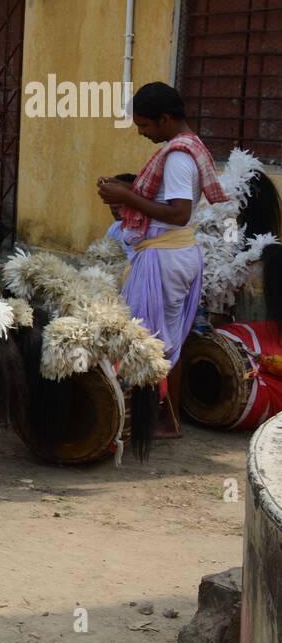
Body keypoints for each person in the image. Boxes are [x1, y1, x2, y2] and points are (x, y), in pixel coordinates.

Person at [97, 81, 229, 438]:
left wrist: (125, 194)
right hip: (172, 255)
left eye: (144, 125)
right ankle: (165, 417)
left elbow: (178, 213)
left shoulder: (178, 157)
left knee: (149, 341)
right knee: (165, 339)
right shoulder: (184, 148)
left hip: (166, 257)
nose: (141, 132)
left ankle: (157, 419)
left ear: (165, 119)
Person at [101, 172, 137, 263]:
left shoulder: (146, 235)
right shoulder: (115, 228)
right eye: (111, 200)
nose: (113, 207)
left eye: (119, 200)